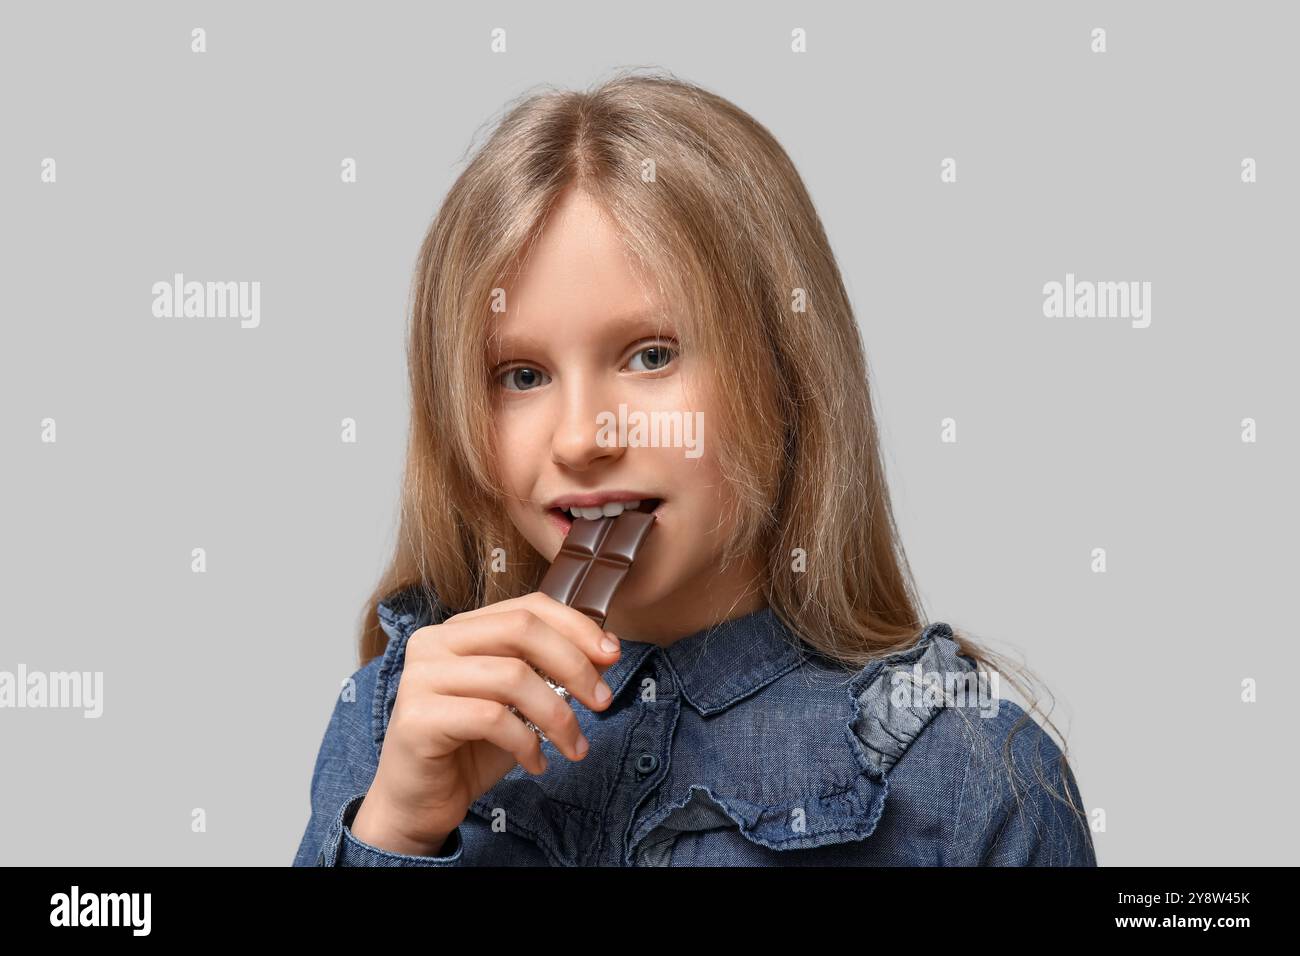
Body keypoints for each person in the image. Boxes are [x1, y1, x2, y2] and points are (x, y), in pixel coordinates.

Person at [293, 69, 1097, 867]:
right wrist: (397, 830)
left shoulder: (971, 779)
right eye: (522, 376)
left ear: (786, 379)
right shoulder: (390, 729)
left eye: (650, 355)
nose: (580, 439)